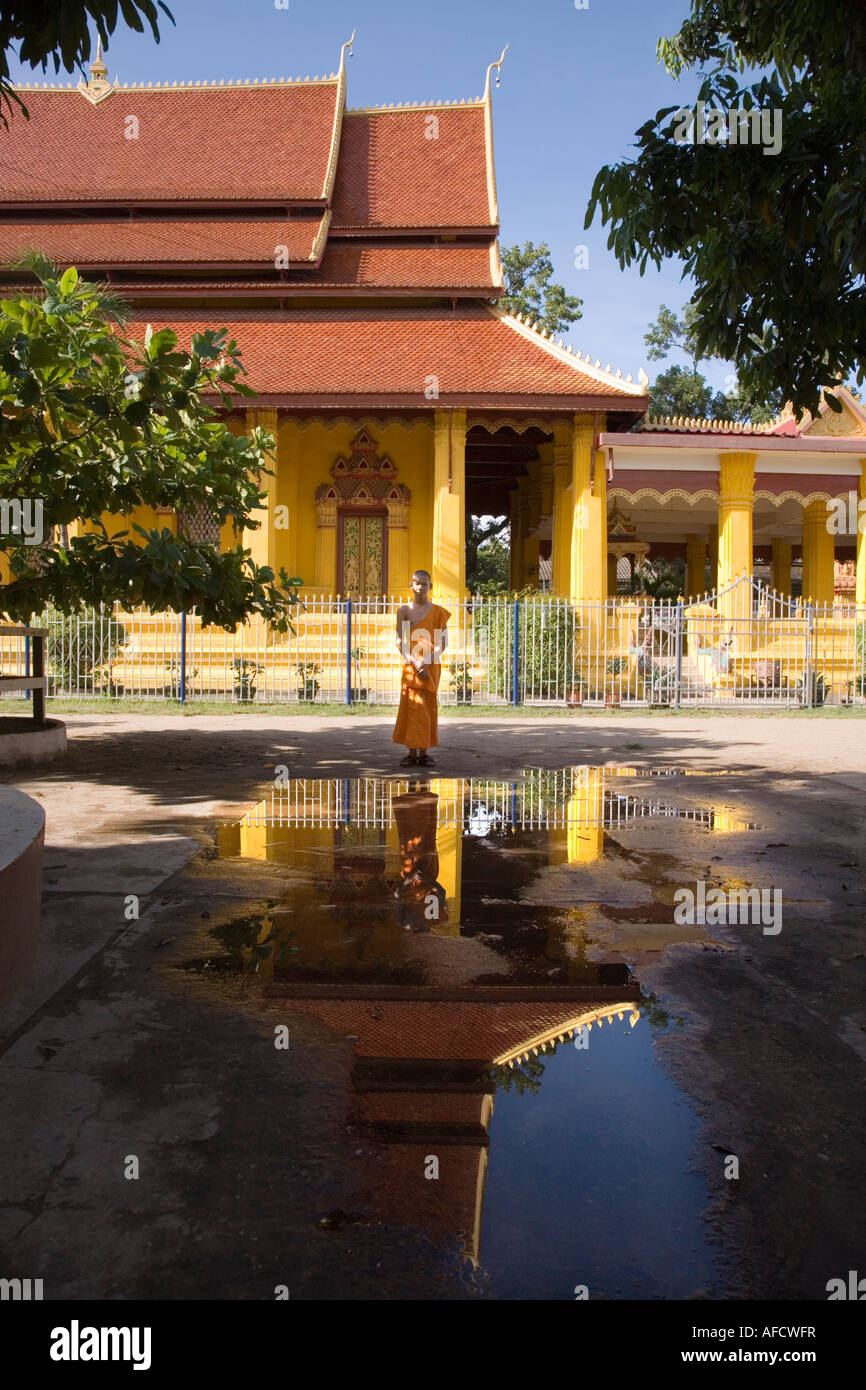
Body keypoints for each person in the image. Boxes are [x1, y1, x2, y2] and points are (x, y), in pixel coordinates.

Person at [392, 569, 449, 767]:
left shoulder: (438, 612)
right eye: (417, 583)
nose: (420, 588)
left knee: (426, 708)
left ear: (430, 587)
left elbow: (443, 643)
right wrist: (413, 661)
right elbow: (401, 641)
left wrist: (428, 661)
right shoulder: (404, 611)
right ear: (411, 585)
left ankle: (423, 752)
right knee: (411, 706)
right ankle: (410, 752)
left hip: (430, 666)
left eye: (424, 584)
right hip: (411, 665)